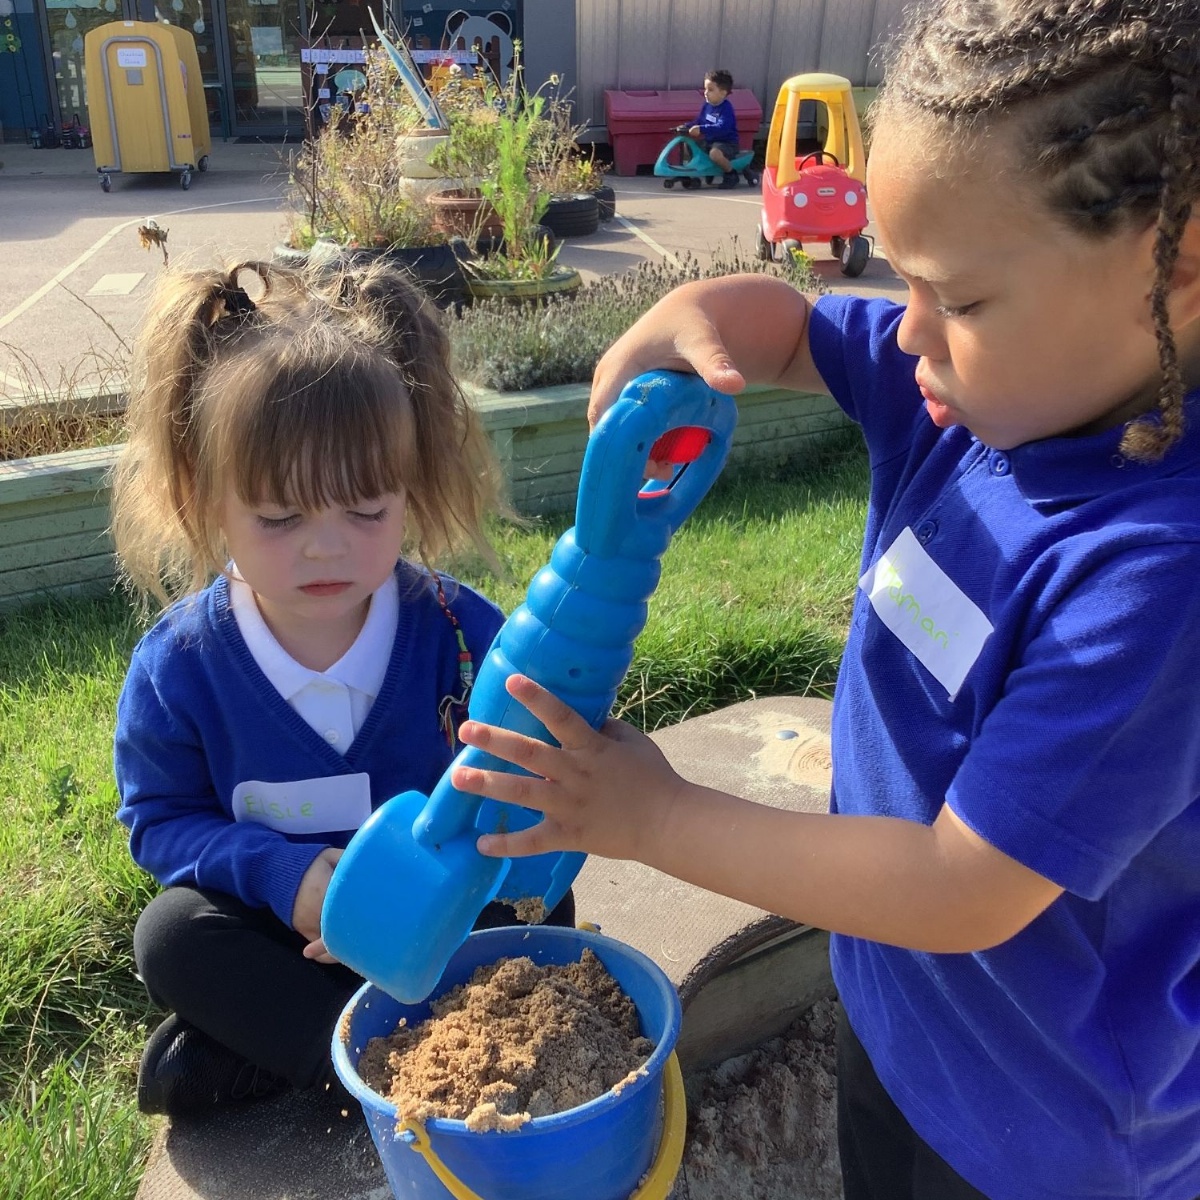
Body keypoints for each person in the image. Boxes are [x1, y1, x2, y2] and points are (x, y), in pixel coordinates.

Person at [450, 1, 1200, 1197]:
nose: (907, 334)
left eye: (955, 298)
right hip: (904, 1030)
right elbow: (792, 327)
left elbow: (966, 888)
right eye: (901, 281)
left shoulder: (1156, 574)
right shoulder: (973, 396)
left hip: (1047, 1131)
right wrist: (692, 317)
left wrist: (646, 820)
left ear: (1178, 261)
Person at [111, 258, 574, 1118]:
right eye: (280, 519)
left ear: (411, 485)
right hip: (286, 935)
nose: (326, 549)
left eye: (366, 511)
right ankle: (365, 1072)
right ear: (207, 501)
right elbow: (160, 821)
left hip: (438, 920)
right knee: (173, 937)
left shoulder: (462, 636)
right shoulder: (180, 670)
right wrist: (283, 877)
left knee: (543, 897)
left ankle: (280, 1057)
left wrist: (522, 808)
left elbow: (529, 782)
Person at [686, 68, 747, 188]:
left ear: (723, 92)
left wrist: (702, 129)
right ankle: (695, 171)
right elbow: (700, 120)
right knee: (689, 144)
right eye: (705, 89)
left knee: (714, 153)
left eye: (710, 90)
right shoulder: (706, 106)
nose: (706, 93)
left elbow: (722, 128)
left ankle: (731, 174)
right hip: (710, 141)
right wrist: (687, 126)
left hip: (727, 143)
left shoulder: (726, 108)